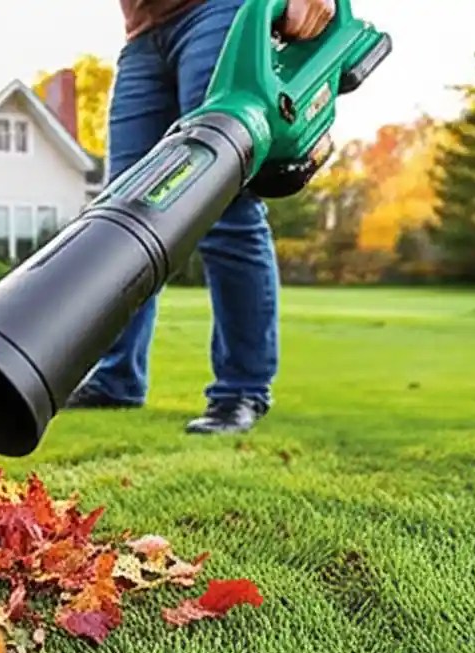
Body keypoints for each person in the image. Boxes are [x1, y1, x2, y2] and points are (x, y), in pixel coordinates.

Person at [64, 0, 336, 434]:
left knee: (224, 200)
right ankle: (117, 378)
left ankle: (241, 389)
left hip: (219, 12)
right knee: (119, 217)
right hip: (142, 33)